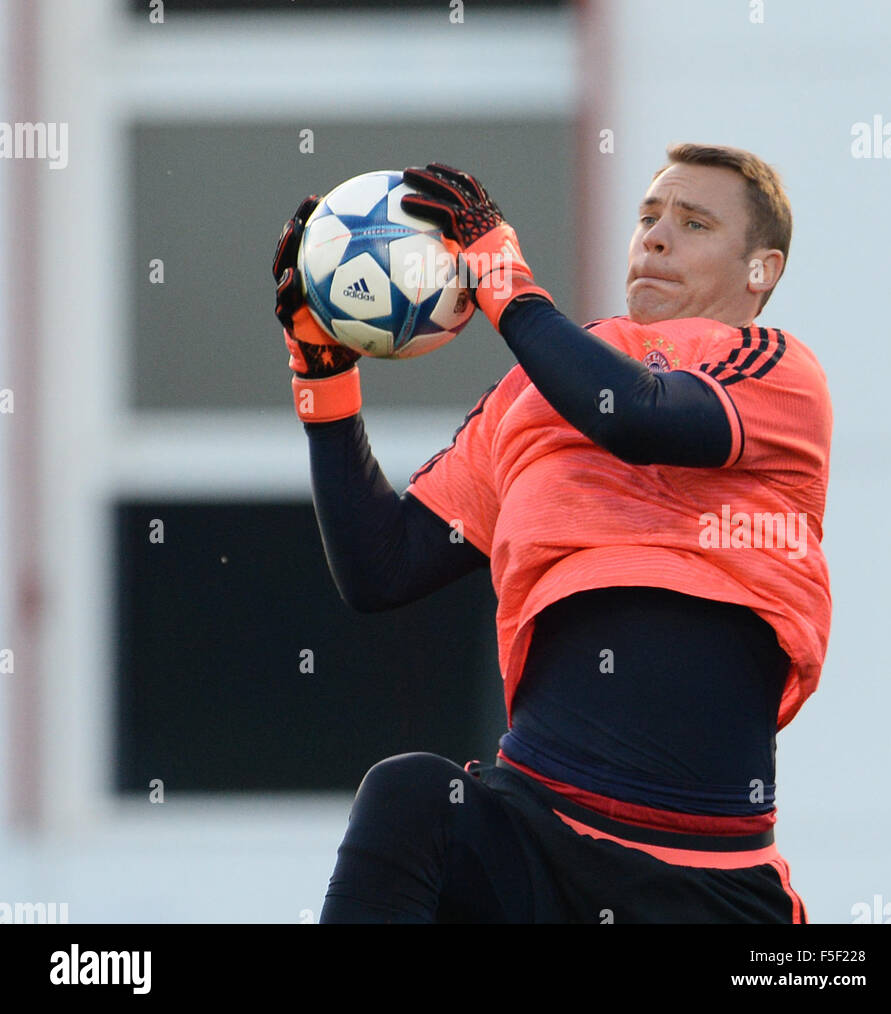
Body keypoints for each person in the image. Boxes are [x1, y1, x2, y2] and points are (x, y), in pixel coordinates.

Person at [271, 143, 832, 924]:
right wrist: (322, 374)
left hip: (708, 882)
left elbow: (633, 414)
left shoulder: (776, 370)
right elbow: (379, 567)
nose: (657, 236)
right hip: (535, 834)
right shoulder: (532, 391)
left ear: (761, 270)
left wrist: (503, 280)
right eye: (648, 216)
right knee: (411, 793)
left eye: (694, 222)